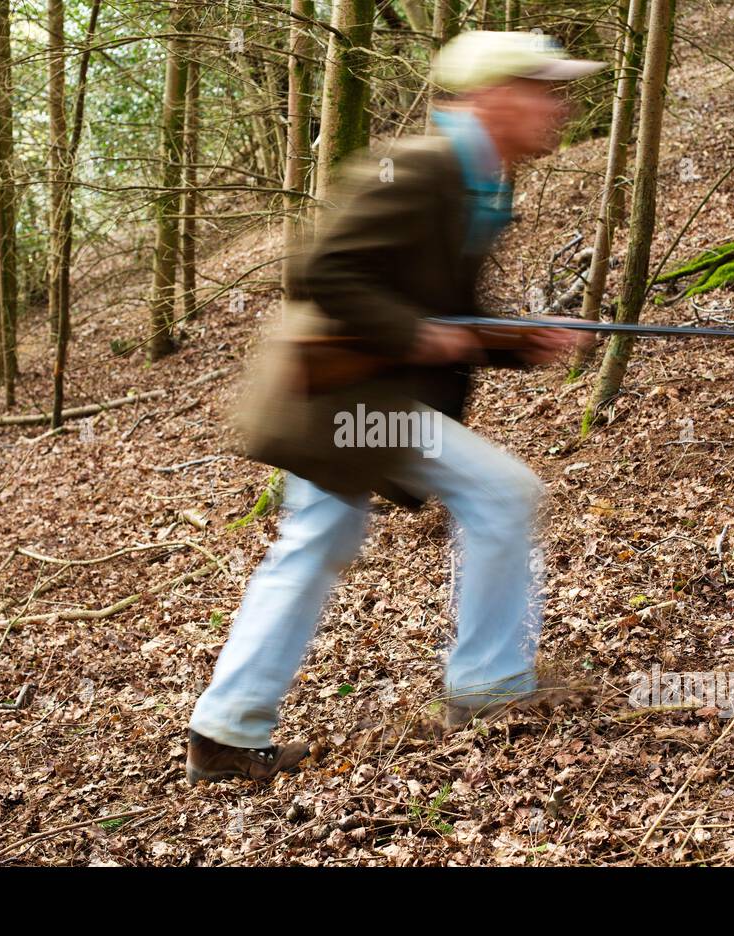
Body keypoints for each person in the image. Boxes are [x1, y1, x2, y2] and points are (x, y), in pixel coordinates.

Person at [186, 32, 604, 784]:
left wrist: (520, 341)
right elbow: (321, 271)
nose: (558, 108)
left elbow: (447, 312)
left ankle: (224, 733)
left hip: (343, 400)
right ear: (496, 97)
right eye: (543, 90)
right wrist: (417, 333)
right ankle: (487, 689)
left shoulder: (480, 179)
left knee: (316, 540)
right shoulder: (419, 167)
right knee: (505, 492)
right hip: (343, 400)